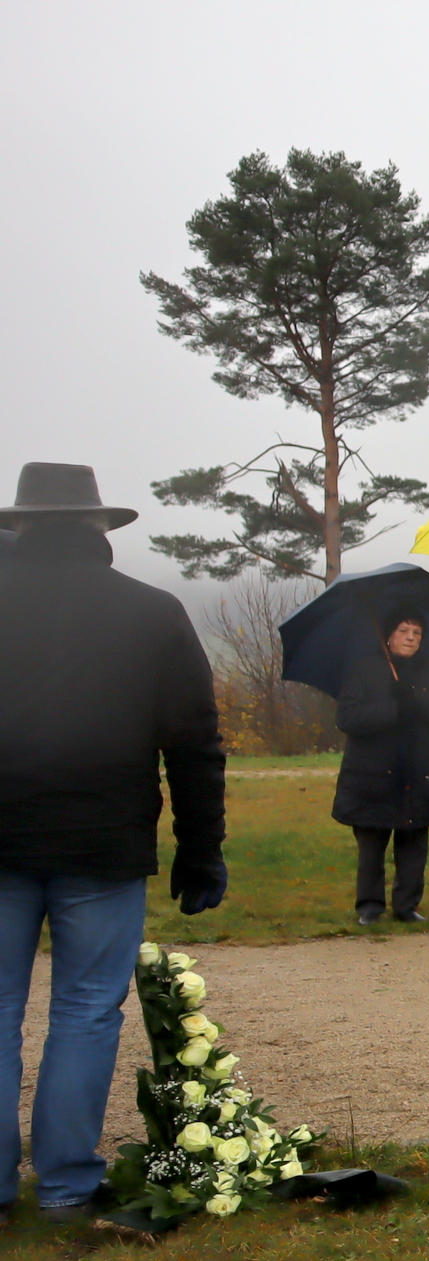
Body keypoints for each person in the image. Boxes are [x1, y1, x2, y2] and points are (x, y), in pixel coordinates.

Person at [0, 463, 227, 1222]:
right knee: (87, 1011)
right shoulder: (151, 612)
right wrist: (201, 848)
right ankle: (65, 1184)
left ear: (19, 525)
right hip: (103, 842)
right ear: (98, 527)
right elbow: (194, 745)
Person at [332, 607, 429, 925]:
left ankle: (407, 906)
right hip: (373, 775)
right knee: (372, 846)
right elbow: (347, 718)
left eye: (417, 633)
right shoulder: (363, 669)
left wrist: (416, 698)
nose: (410, 638)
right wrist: (392, 708)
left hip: (419, 772)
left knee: (414, 845)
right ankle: (370, 906)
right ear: (389, 635)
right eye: (404, 630)